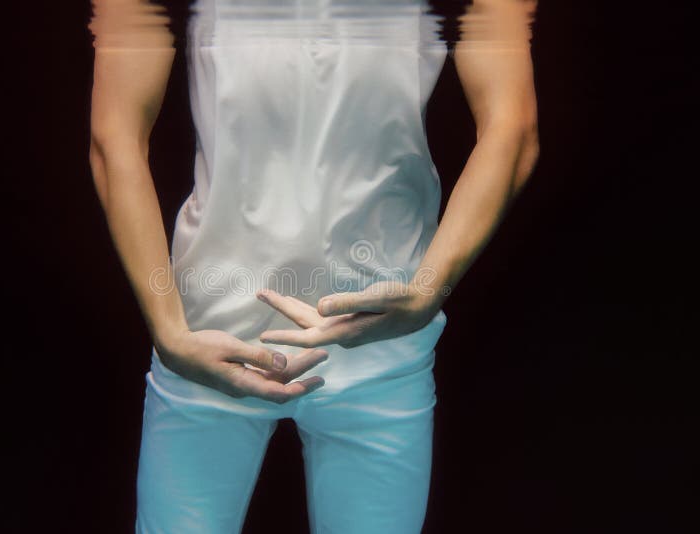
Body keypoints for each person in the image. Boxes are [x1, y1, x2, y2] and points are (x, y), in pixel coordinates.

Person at [88, 0, 539, 532]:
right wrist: (168, 333)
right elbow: (114, 136)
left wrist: (425, 293)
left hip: (374, 344)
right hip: (204, 344)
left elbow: (512, 132)